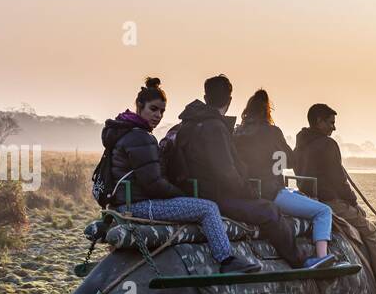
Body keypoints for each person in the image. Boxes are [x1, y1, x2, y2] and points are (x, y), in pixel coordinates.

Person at [102, 77, 259, 274]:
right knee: (208, 208)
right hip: (139, 205)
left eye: (162, 111)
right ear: (139, 106)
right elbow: (154, 184)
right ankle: (226, 260)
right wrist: (183, 195)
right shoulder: (140, 137)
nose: (158, 115)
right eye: (153, 109)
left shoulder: (124, 132)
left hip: (127, 201)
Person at [175, 76, 330, 269]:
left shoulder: (187, 125)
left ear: (205, 97)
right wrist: (249, 192)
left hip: (198, 192)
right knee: (269, 210)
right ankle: (299, 261)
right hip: (217, 194)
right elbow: (226, 172)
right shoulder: (215, 127)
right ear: (229, 100)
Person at [234, 88, 336, 268]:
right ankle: (322, 257)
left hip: (246, 194)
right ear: (267, 110)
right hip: (272, 193)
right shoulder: (271, 132)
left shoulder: (237, 133)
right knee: (323, 211)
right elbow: (290, 159)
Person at [293, 103, 376, 279]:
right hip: (330, 202)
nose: (333, 127)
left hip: (308, 201)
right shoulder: (328, 144)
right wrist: (353, 203)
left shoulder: (299, 144)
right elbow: (339, 181)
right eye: (330, 123)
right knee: (371, 231)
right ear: (319, 121)